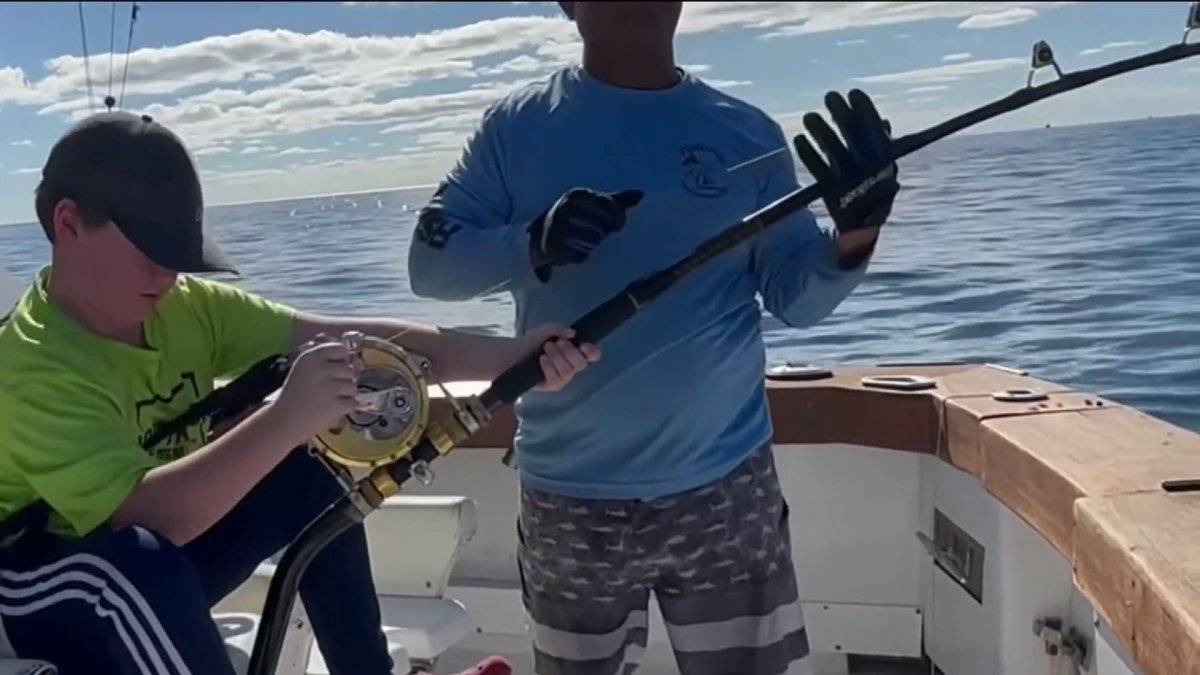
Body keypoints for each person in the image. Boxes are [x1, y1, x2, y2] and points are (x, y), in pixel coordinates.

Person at [0, 110, 602, 675]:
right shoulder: (30, 363)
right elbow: (149, 520)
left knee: (307, 475)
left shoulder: (186, 308)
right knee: (134, 563)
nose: (168, 273)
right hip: (46, 588)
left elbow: (361, 340)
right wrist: (287, 416)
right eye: (149, 250)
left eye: (177, 254)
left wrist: (509, 354)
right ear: (69, 223)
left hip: (162, 566)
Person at [406, 2, 900, 674]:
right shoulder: (514, 129)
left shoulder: (744, 131)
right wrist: (530, 243)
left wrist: (856, 233)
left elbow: (795, 296)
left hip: (728, 486)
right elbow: (430, 263)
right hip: (569, 495)